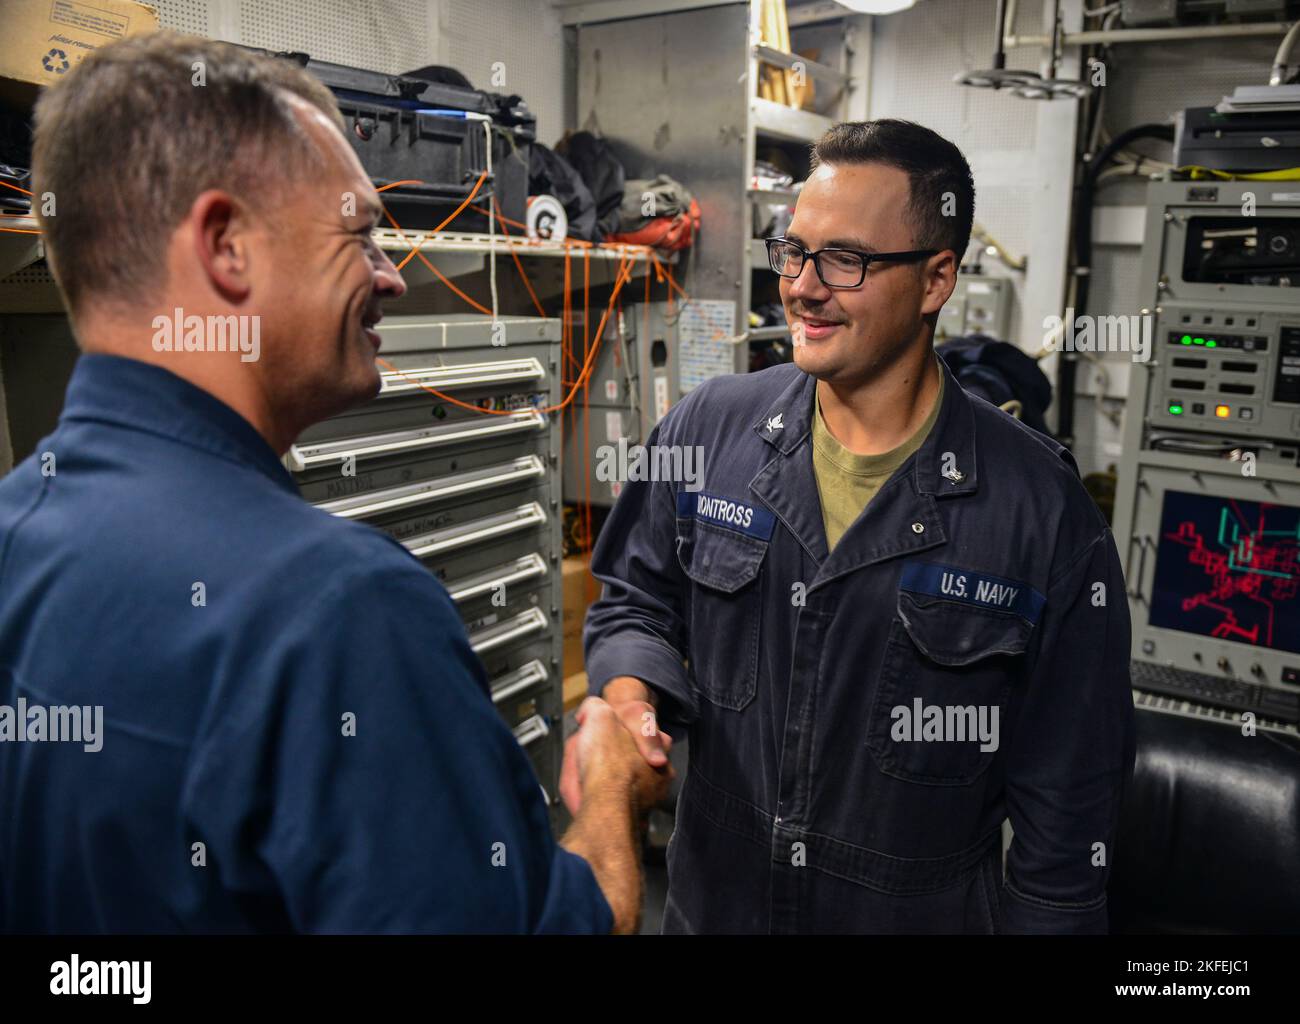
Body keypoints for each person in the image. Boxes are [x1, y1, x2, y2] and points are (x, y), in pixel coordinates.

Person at [0, 31, 666, 934]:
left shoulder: (17, 532)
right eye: (359, 232)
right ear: (226, 246)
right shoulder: (342, 612)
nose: (392, 278)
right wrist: (611, 795)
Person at [574, 119, 1136, 934]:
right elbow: (635, 596)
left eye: (847, 260)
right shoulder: (708, 432)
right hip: (715, 911)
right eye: (793, 251)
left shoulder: (1041, 513)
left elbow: (1069, 806)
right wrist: (630, 698)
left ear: (937, 278)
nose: (801, 286)